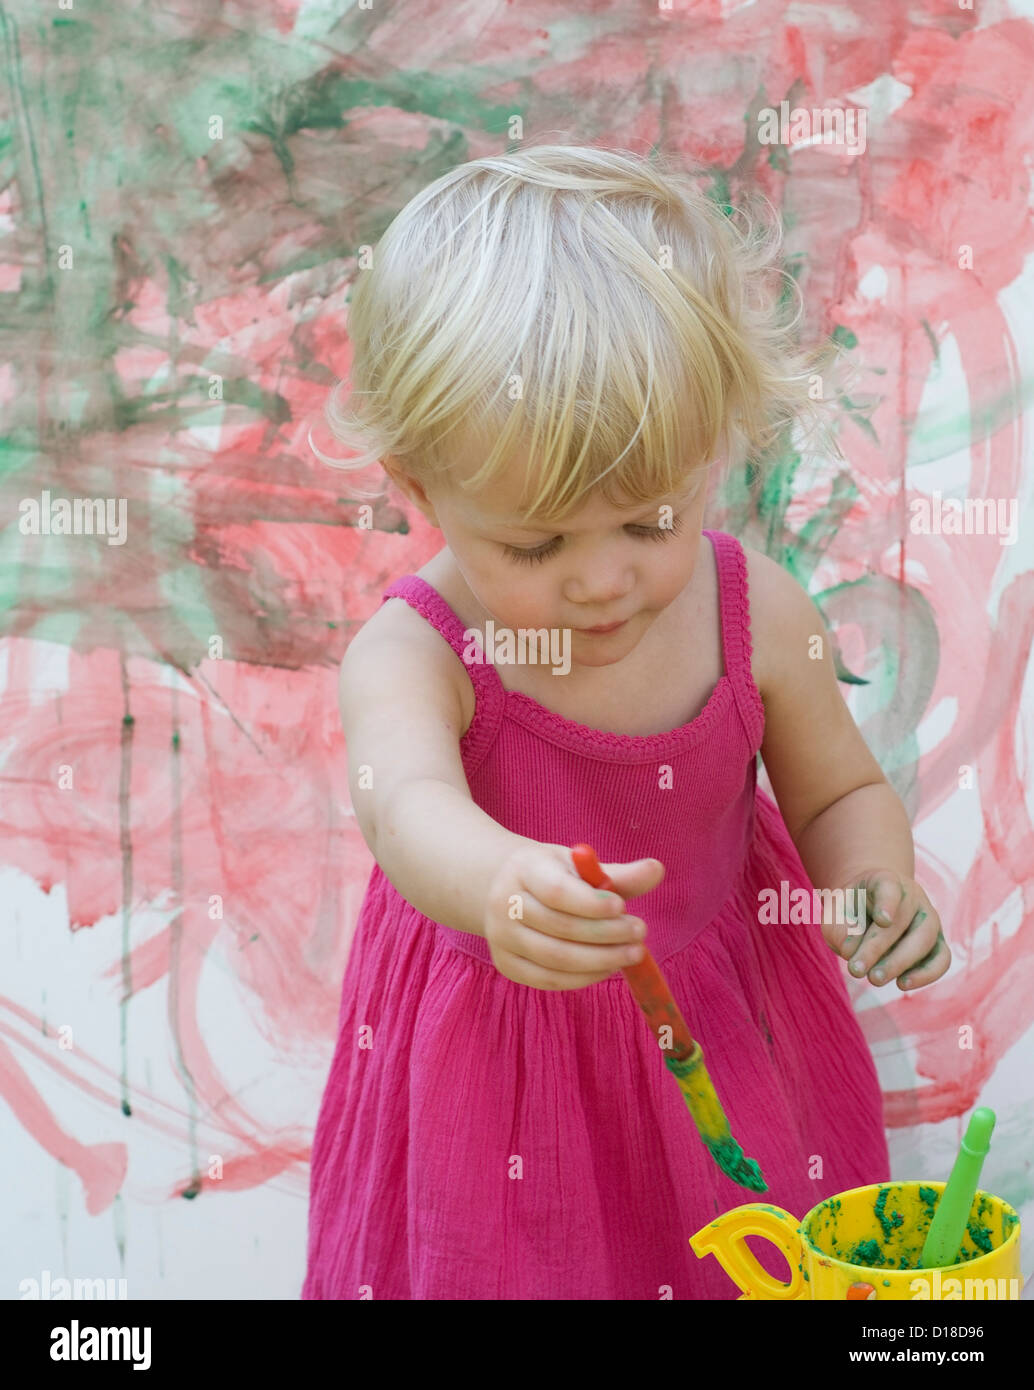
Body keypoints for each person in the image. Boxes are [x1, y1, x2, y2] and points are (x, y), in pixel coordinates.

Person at [302, 144, 951, 1300]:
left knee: (747, 1265)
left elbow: (838, 791)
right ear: (416, 485)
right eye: (536, 544)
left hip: (726, 1017)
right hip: (500, 1069)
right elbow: (401, 806)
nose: (601, 582)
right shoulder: (418, 652)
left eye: (648, 522)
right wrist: (498, 880)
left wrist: (869, 879)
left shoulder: (754, 611)